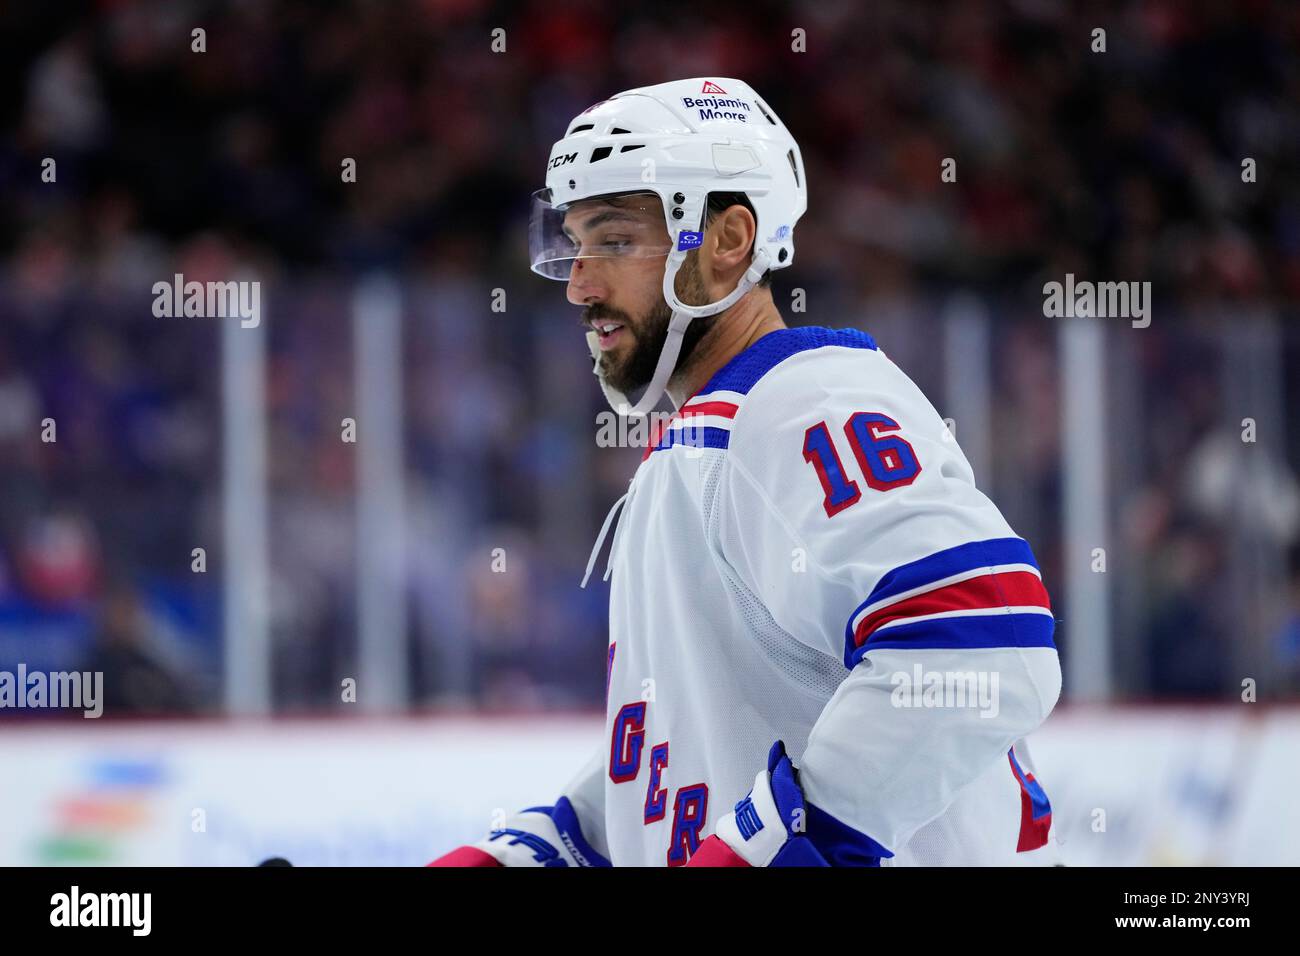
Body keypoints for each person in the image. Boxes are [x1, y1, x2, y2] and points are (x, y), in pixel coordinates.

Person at [431, 77, 1061, 867]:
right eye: (575, 243)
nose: (581, 284)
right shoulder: (701, 447)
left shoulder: (805, 404)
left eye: (617, 241)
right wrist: (542, 852)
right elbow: (689, 756)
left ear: (728, 241)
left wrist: (788, 848)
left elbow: (981, 647)